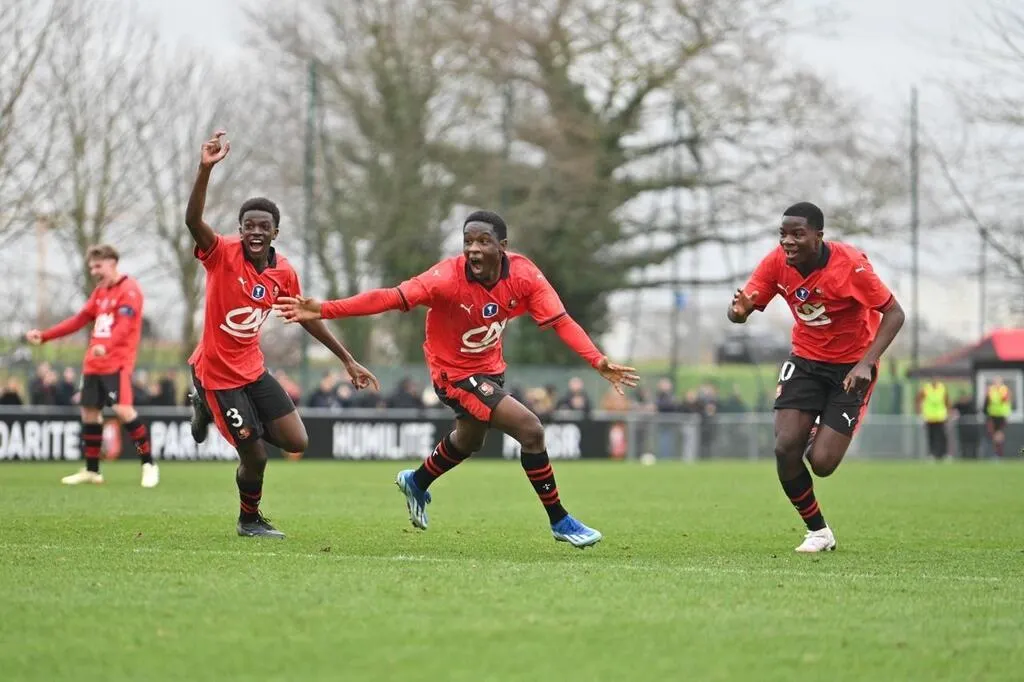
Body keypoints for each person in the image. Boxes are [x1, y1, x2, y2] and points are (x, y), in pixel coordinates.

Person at [275, 210, 639, 548]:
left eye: (483, 241)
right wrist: (325, 308)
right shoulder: (445, 278)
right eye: (468, 242)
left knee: (469, 440)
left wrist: (597, 361)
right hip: (453, 374)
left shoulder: (525, 276)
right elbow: (389, 298)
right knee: (531, 430)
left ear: (503, 248)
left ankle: (416, 482)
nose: (474, 250)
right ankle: (560, 521)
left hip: (489, 369)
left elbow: (560, 321)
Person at [183, 130, 379, 539]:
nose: (255, 232)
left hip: (252, 370)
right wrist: (205, 169)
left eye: (264, 227)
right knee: (254, 454)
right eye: (248, 226)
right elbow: (192, 221)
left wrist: (347, 359)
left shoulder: (283, 271)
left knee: (296, 441)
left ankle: (217, 416)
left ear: (275, 232)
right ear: (239, 229)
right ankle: (249, 520)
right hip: (218, 374)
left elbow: (305, 316)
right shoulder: (221, 255)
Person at [727, 202, 905, 553]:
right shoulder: (776, 262)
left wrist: (868, 362)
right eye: (783, 234)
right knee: (784, 448)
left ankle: (817, 430)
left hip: (852, 367)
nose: (788, 242)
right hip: (806, 360)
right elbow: (740, 310)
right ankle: (818, 532)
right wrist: (738, 313)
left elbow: (895, 313)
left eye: (797, 234)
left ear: (818, 237)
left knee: (821, 464)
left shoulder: (851, 266)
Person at [25, 245, 158, 487]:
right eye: (91, 267)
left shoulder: (129, 290)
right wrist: (45, 336)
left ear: (112, 262)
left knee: (123, 411)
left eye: (98, 266)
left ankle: (149, 464)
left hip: (116, 363)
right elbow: (78, 320)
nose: (94, 271)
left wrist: (106, 346)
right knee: (89, 413)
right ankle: (92, 470)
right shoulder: (99, 293)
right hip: (93, 364)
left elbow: (125, 326)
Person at [917, 379, 949, 460]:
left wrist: (948, 413)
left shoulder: (942, 388)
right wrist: (920, 413)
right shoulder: (926, 389)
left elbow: (947, 401)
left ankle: (943, 454)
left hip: (940, 417)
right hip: (929, 417)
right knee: (931, 436)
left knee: (942, 436)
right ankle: (932, 454)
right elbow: (918, 400)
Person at [983, 376, 1012, 458]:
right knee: (993, 434)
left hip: (1001, 415)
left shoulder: (1004, 390)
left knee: (998, 434)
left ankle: (998, 453)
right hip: (992, 415)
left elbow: (1006, 400)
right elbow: (987, 401)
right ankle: (997, 453)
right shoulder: (990, 390)